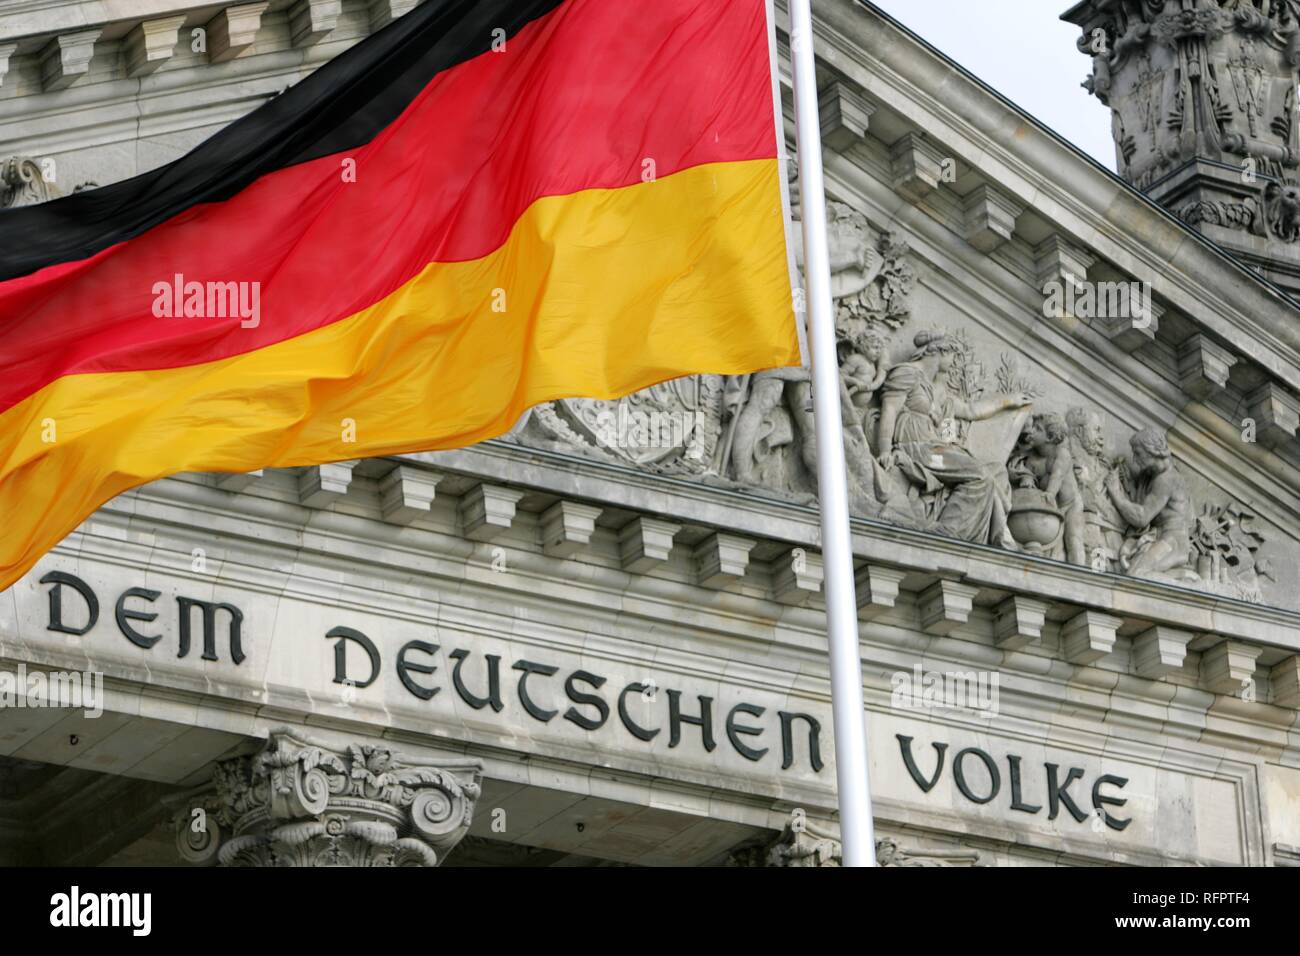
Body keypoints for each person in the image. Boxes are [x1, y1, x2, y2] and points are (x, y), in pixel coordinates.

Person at [876, 331, 1033, 545]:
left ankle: (999, 535)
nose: (953, 362)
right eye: (952, 355)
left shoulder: (940, 394)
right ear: (940, 351)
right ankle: (949, 530)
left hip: (937, 450)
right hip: (918, 449)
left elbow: (970, 411)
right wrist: (884, 450)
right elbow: (889, 412)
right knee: (980, 476)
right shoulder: (907, 374)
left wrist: (1008, 400)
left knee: (995, 470)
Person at [1106, 427, 1191, 577]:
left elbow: (1141, 517)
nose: (1134, 459)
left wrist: (1115, 494)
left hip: (1172, 542)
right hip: (1158, 537)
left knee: (1137, 574)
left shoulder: (1166, 479)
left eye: (1138, 453)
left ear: (1153, 451)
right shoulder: (1151, 476)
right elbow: (1141, 503)